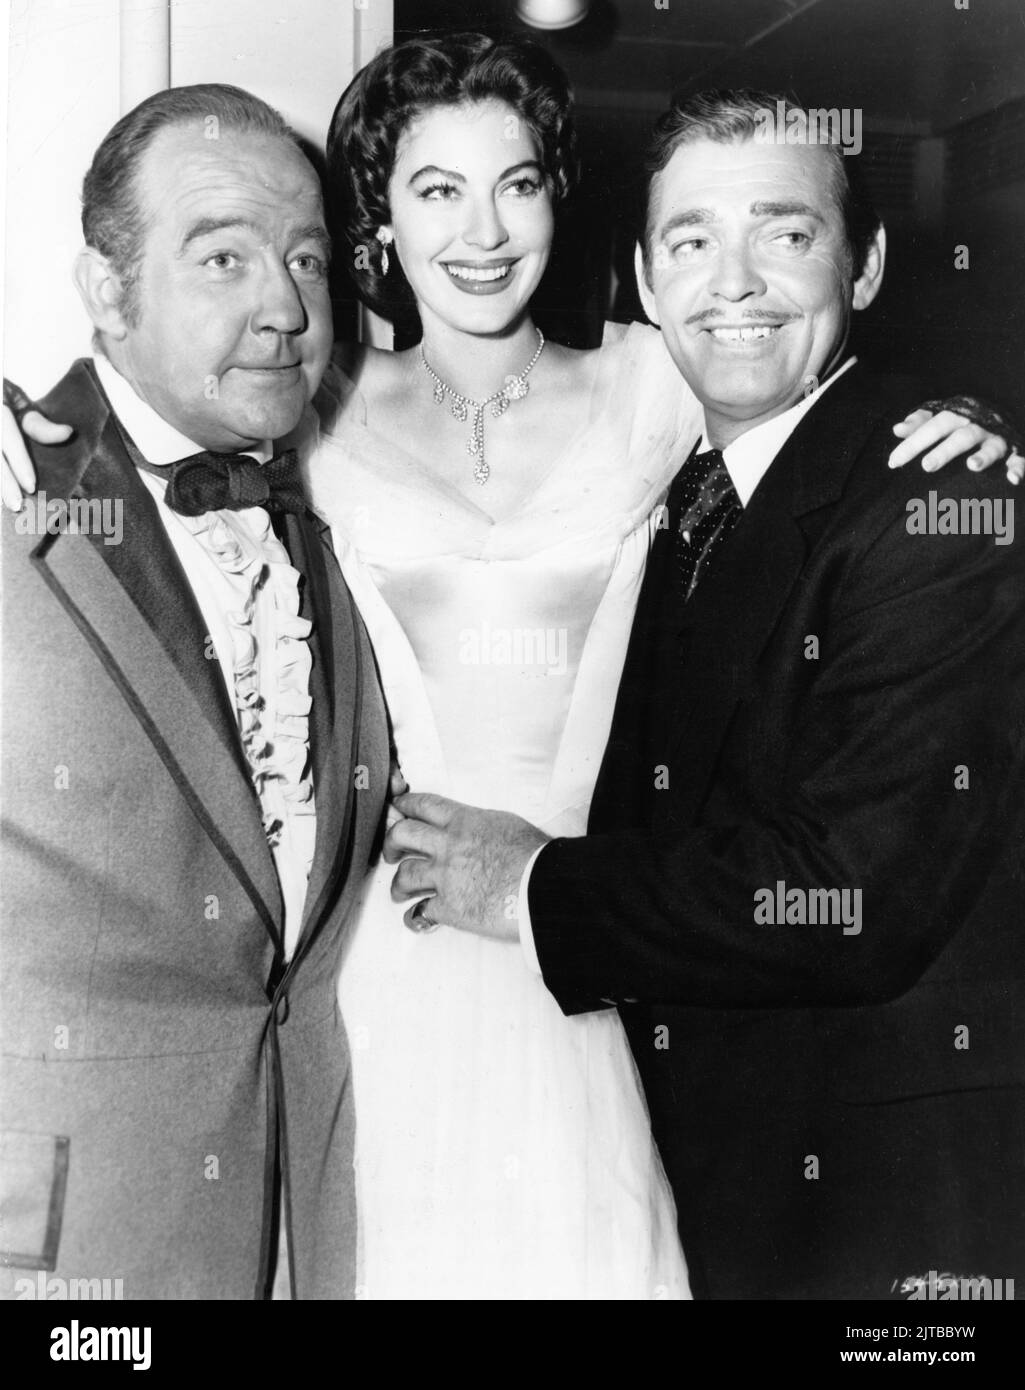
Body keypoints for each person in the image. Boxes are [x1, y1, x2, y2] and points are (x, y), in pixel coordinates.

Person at [2, 38, 1015, 1300]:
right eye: (435, 191)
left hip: (581, 964)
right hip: (383, 968)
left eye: (518, 184)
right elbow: (135, 453)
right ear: (377, 223)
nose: (483, 232)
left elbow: (791, 384)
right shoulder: (306, 413)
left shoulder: (651, 381)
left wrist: (970, 425)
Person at [386, 87, 1025, 1301]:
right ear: (638, 276)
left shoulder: (942, 502)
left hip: (878, 1202)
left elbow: (844, 893)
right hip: (692, 1149)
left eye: (783, 234)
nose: (731, 283)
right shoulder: (677, 485)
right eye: (690, 242)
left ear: (868, 264)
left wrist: (520, 880)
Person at [0, 84, 389, 1301]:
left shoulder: (345, 512)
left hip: (306, 1222)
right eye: (222, 256)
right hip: (66, 1248)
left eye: (307, 260)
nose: (284, 308)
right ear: (108, 290)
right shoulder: (15, 487)